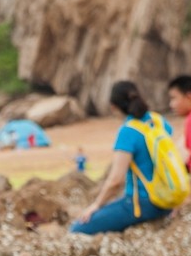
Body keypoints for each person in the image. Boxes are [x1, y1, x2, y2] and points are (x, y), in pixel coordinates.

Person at [70, 81, 176, 235]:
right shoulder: (158, 121)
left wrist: (96, 205)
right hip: (168, 198)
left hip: (143, 203)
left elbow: (116, 181)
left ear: (114, 107)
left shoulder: (128, 131)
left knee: (78, 229)